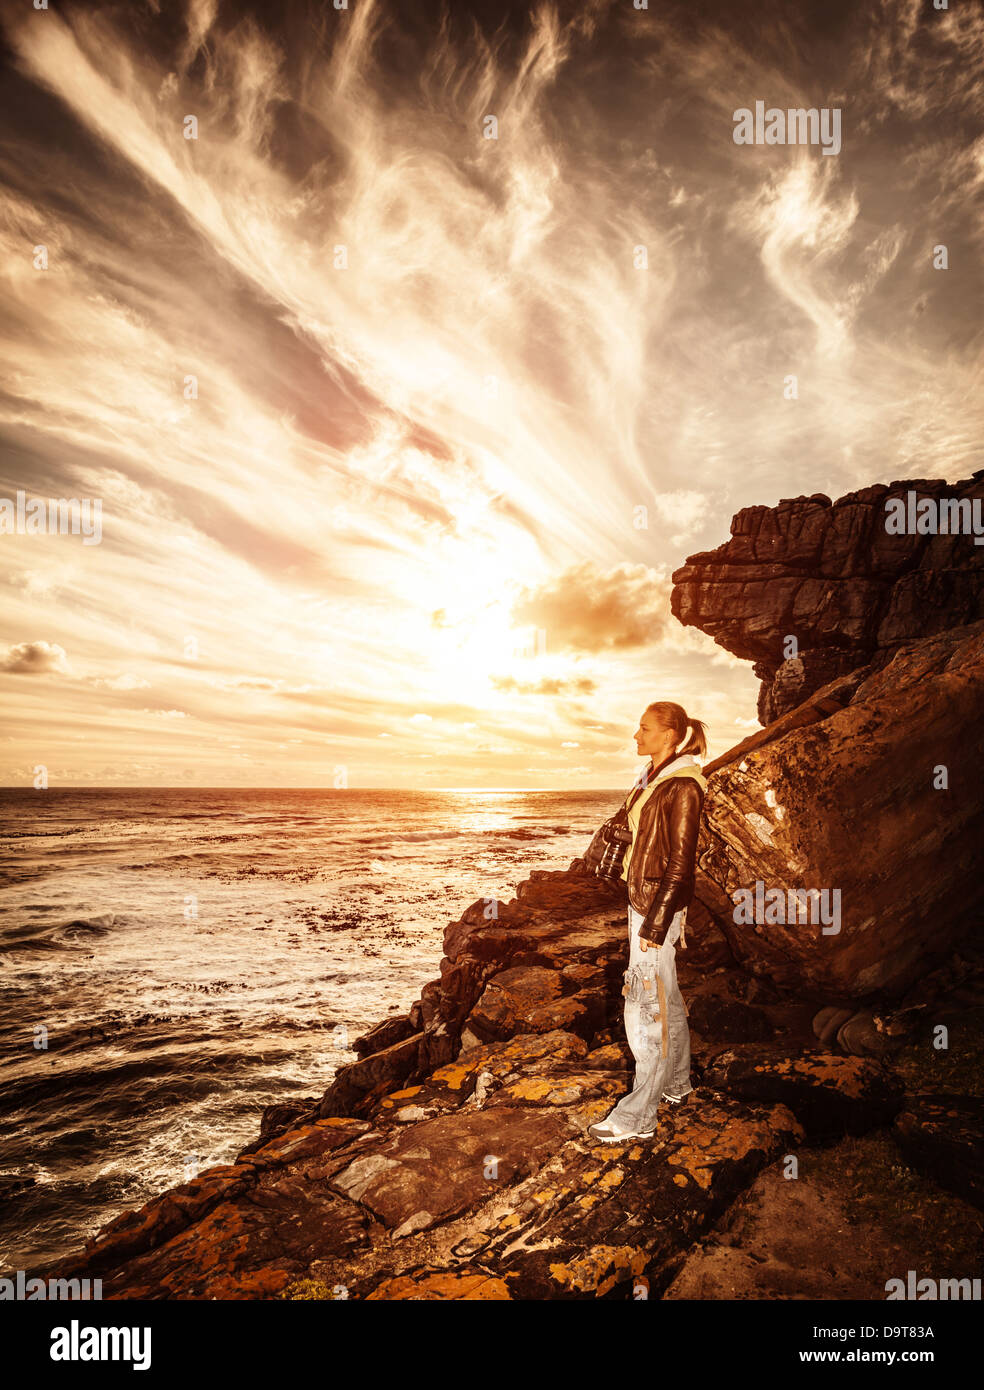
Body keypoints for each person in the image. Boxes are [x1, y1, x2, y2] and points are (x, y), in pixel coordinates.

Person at [587, 701, 708, 1144]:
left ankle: (637, 1117)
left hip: (656, 906)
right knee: (668, 997)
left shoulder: (684, 786)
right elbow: (653, 840)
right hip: (648, 900)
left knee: (644, 1009)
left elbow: (681, 864)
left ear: (670, 735)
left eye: (644, 729)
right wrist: (628, 836)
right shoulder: (654, 780)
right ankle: (677, 1085)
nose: (635, 736)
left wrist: (655, 926)